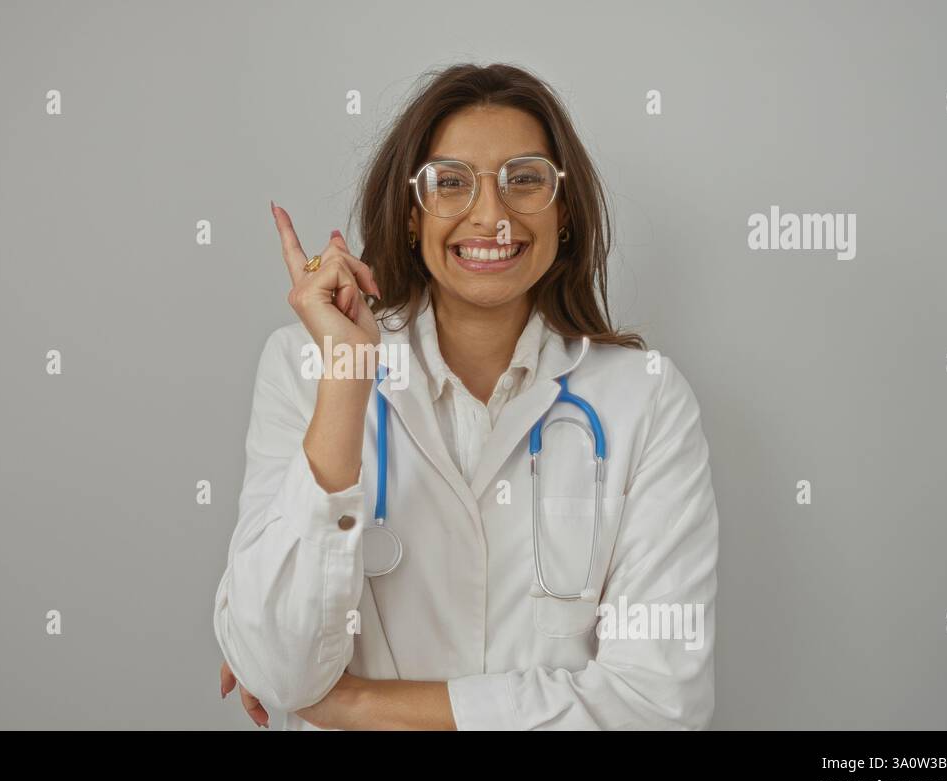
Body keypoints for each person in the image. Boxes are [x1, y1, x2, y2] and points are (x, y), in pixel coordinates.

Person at [213, 63, 719, 730]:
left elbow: (660, 706)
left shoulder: (645, 399)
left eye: (525, 179)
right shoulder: (305, 369)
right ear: (412, 214)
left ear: (563, 211)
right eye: (450, 183)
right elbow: (279, 667)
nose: (491, 215)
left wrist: (355, 702)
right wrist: (346, 377)